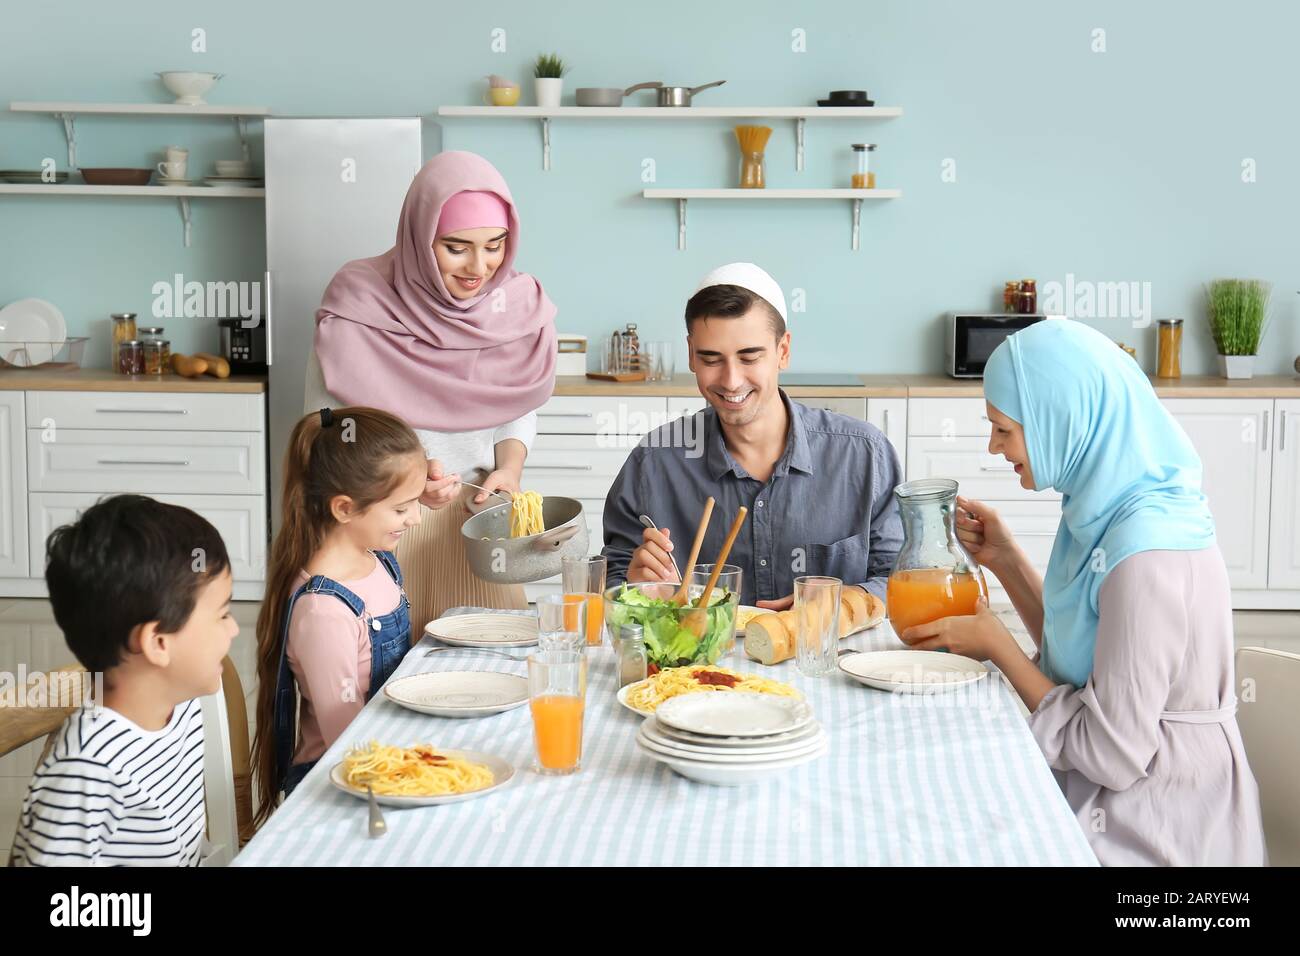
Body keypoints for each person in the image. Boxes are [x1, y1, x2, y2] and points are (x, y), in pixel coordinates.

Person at [898, 319, 1267, 866]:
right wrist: (1006, 559)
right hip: (1124, 792)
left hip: (1162, 820)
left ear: (1059, 418)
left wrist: (998, 647)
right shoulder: (1107, 504)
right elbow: (1092, 656)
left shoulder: (1148, 551)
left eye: (1003, 429)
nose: (993, 447)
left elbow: (1110, 753)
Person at [308, 150, 558, 627]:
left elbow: (516, 399)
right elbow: (326, 430)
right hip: (386, 523)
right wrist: (408, 477)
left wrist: (509, 467)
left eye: (495, 245)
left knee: (494, 667)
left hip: (483, 520)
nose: (479, 267)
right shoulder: (359, 302)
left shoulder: (516, 303)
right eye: (456, 246)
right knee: (385, 676)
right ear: (420, 236)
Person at [602, 262, 902, 608]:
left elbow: (901, 578)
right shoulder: (653, 463)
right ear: (691, 355)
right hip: (694, 661)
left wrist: (841, 603)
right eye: (711, 359)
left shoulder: (864, 455)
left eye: (749, 357)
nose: (731, 381)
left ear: (783, 351)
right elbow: (614, 579)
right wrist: (636, 589)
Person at [11, 495, 236, 866]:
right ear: (157, 643)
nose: (233, 630)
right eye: (223, 614)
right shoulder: (85, 773)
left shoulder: (182, 705)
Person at [250, 407, 426, 822]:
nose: (416, 519)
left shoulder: (378, 561)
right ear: (344, 508)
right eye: (402, 509)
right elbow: (350, 746)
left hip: (387, 759)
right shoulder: (324, 611)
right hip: (339, 789)